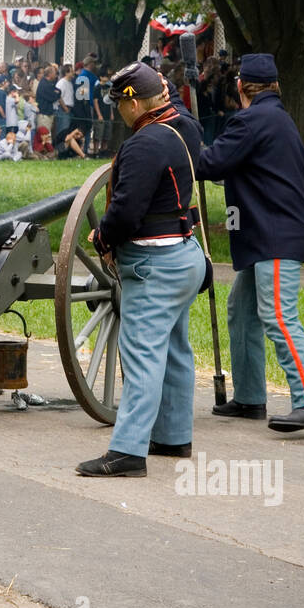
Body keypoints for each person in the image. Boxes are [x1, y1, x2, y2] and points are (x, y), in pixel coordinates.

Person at [76, 63, 207, 476]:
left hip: (155, 262)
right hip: (185, 256)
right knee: (176, 351)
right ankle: (172, 436)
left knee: (142, 357)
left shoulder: (143, 144)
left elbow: (126, 212)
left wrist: (101, 238)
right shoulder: (180, 129)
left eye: (120, 103)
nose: (118, 111)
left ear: (133, 101)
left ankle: (128, 452)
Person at [197, 53, 304, 436]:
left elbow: (210, 164)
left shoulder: (252, 119)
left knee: (279, 318)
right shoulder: (276, 118)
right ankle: (251, 397)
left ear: (240, 87)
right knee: (241, 309)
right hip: (274, 229)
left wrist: (185, 134)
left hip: (276, 233)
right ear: (274, 86)